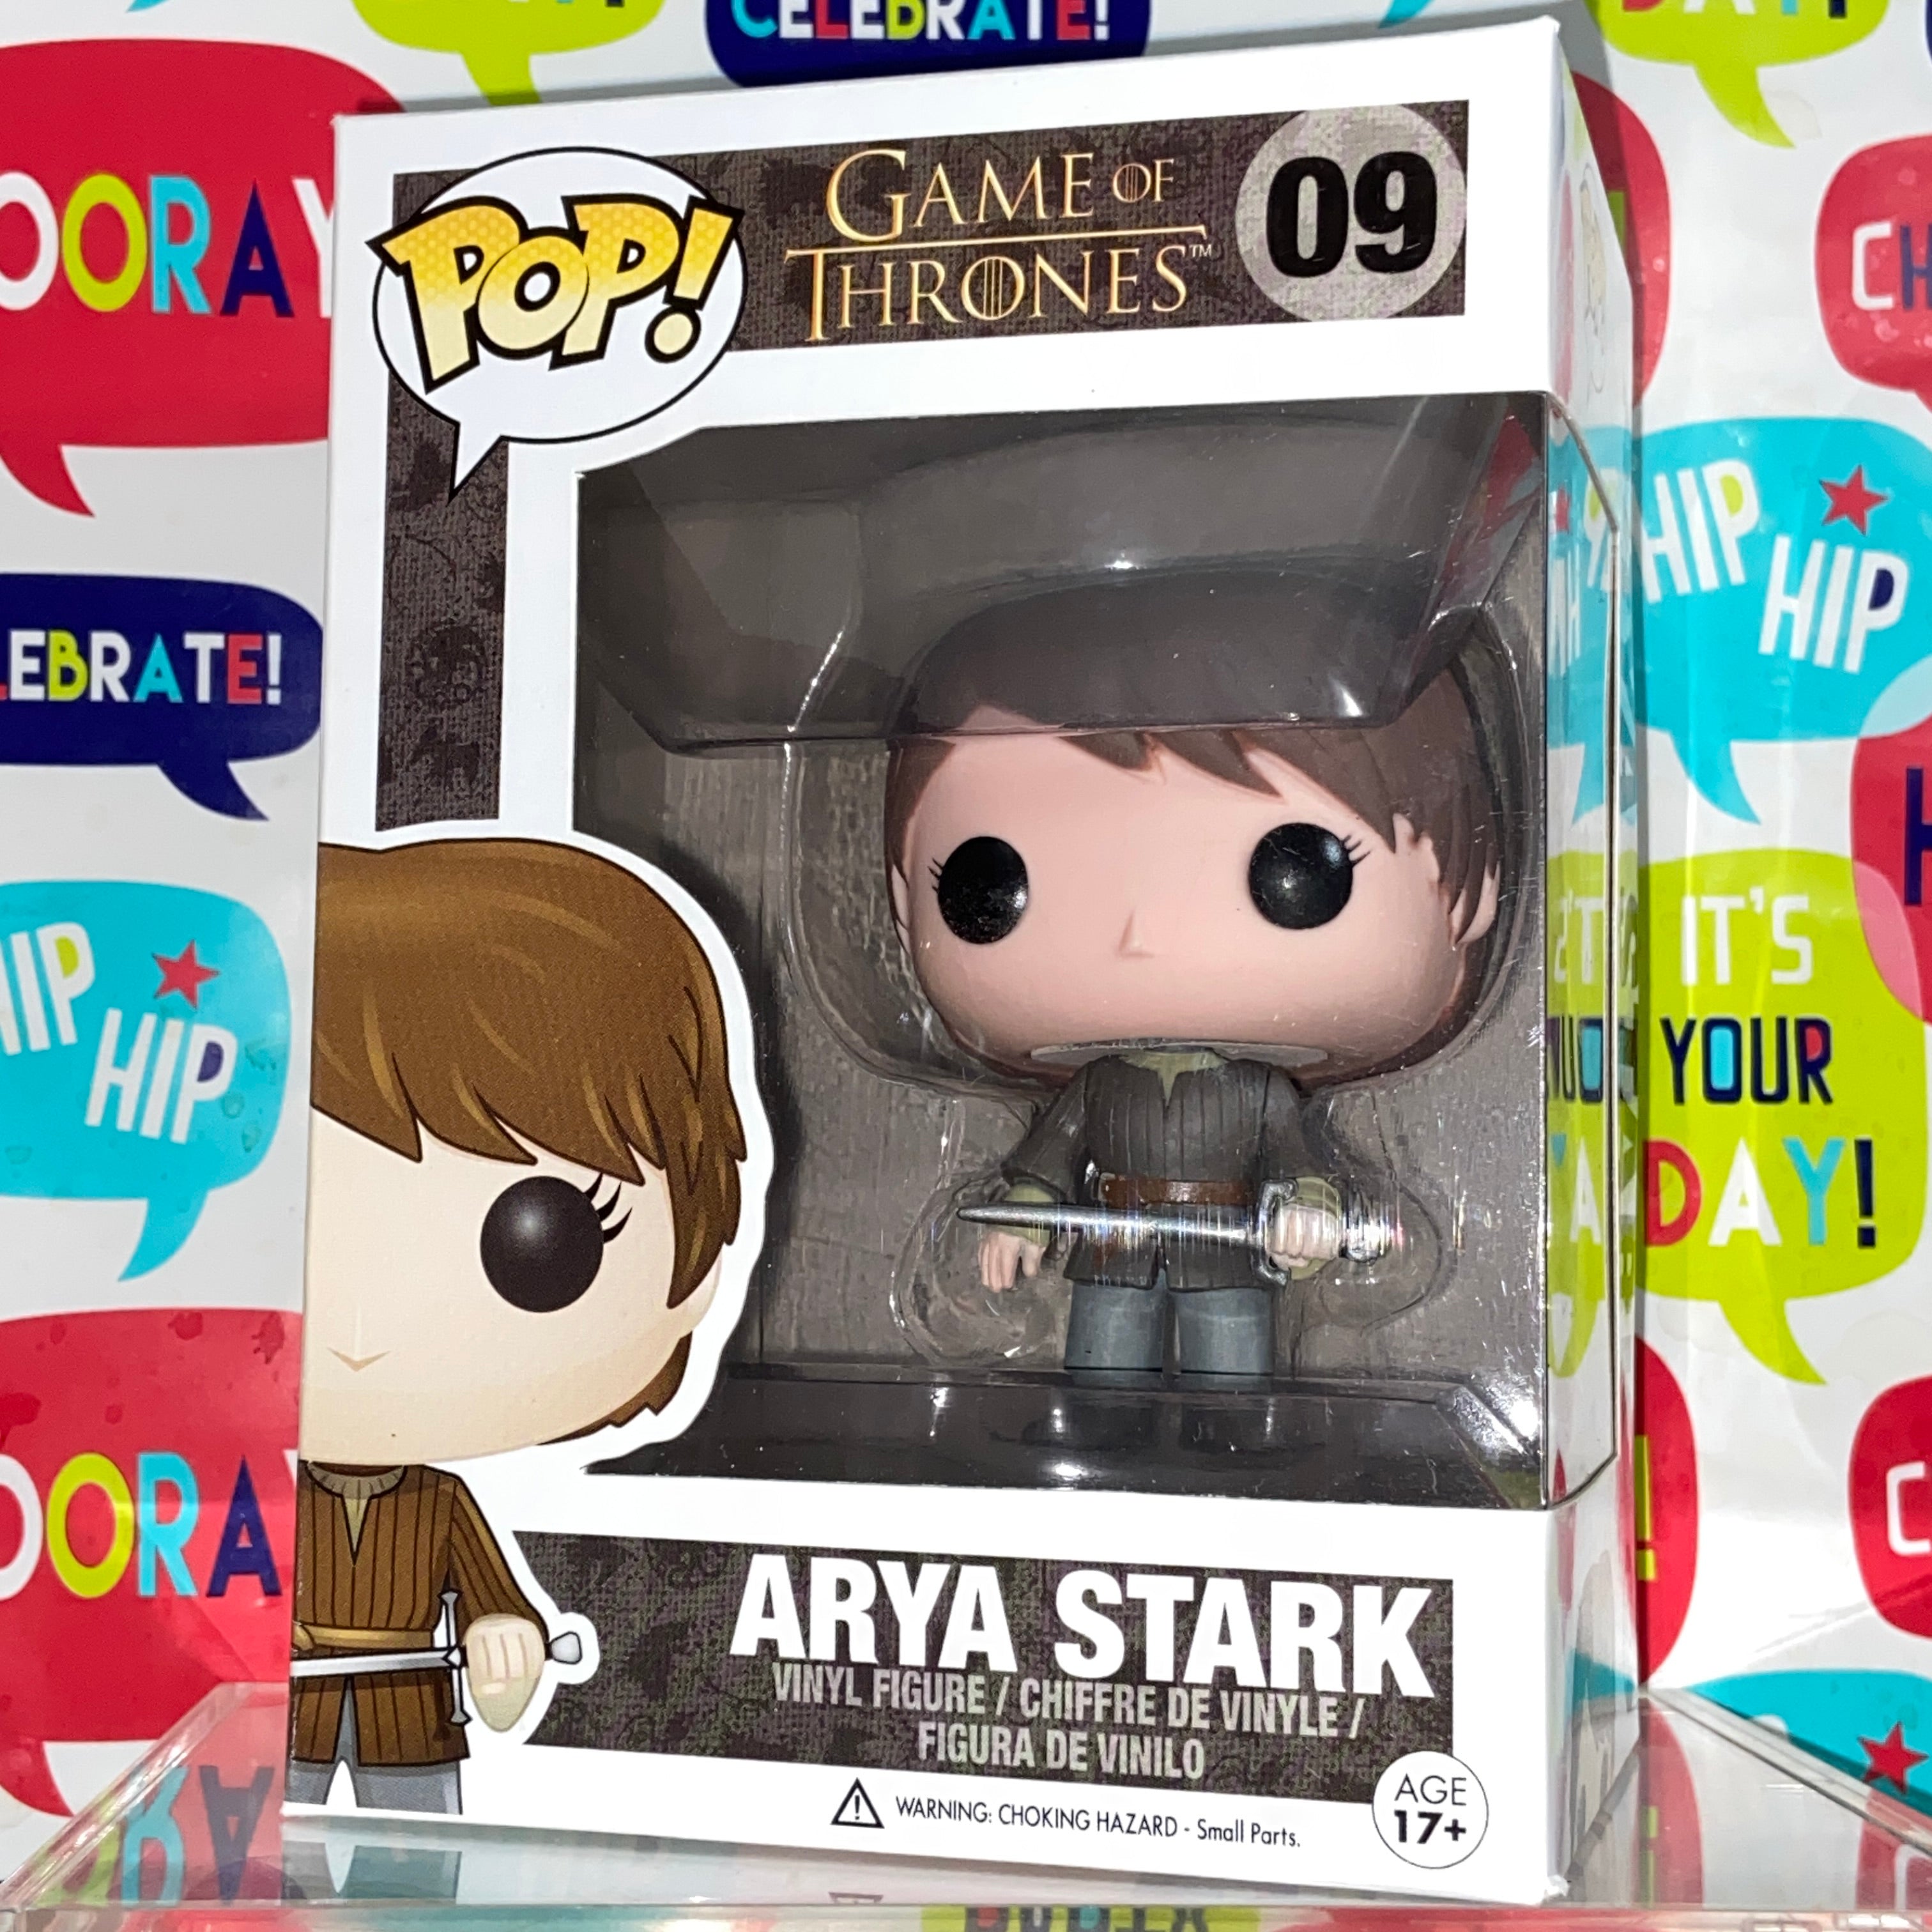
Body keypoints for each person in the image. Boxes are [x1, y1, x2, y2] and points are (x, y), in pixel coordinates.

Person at [887, 626, 1504, 1381]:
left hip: (1226, 1258)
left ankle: (1233, 1441)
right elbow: (1047, 1162)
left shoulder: (1260, 1092)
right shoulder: (1097, 1088)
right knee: (1102, 1383)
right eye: (987, 883)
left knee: (1233, 1384)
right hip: (1112, 1253)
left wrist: (1309, 1211)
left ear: (1477, 891)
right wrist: (1022, 1218)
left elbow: (1300, 1163)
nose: (1139, 935)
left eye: (1298, 871)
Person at [288, 836, 747, 1812]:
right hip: (270, 1729)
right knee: (235, 1873)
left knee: (419, 1876)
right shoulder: (238, 1499)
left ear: (698, 1267)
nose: (359, 1338)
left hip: (411, 1724)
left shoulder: (440, 1503)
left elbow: (502, 1627)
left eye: (540, 1243)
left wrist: (507, 1648)